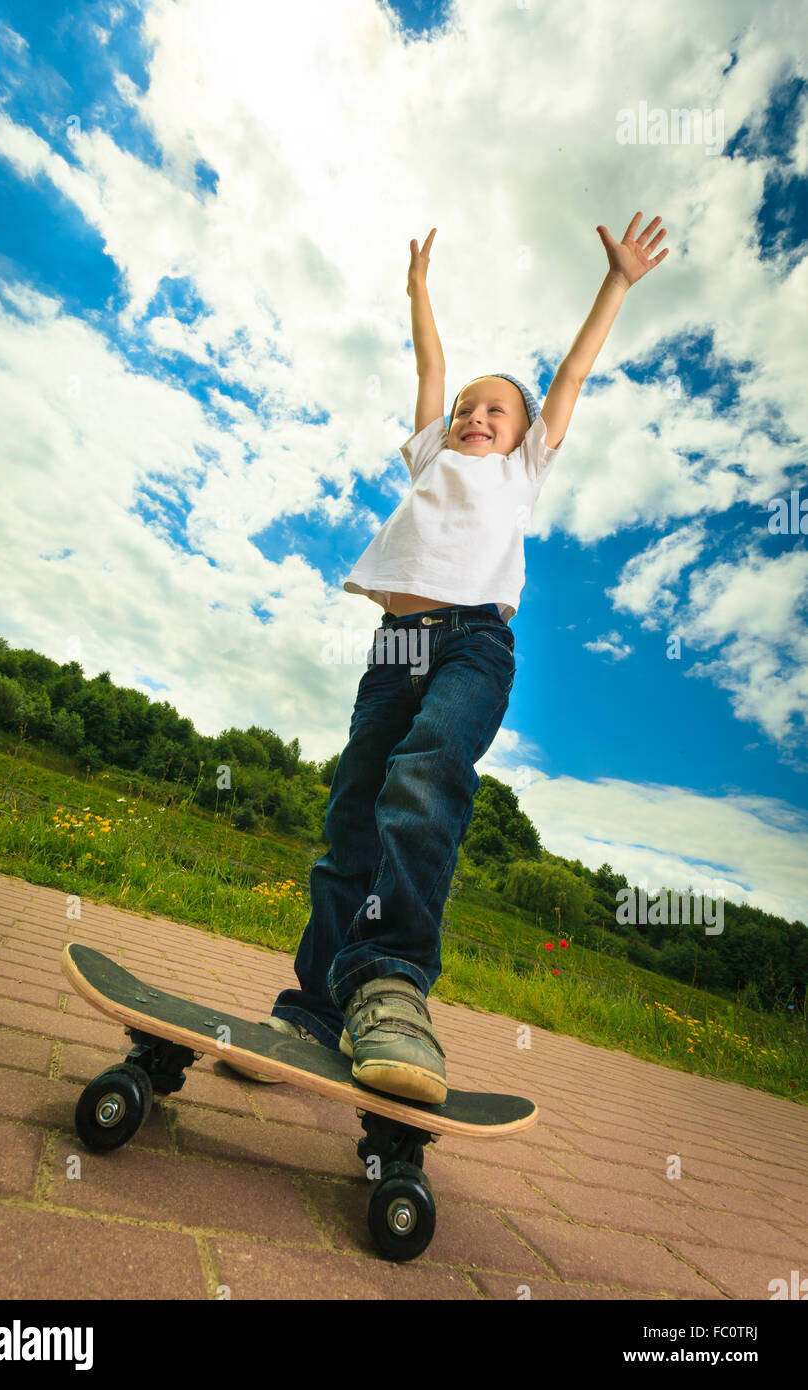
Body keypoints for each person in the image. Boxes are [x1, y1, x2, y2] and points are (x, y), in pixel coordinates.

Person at [231, 214, 669, 1103]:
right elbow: (431, 369)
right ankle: (313, 1007)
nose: (475, 416)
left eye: (494, 410)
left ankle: (391, 984)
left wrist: (617, 283)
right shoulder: (433, 451)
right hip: (393, 649)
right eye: (469, 408)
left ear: (522, 434)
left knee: (426, 776)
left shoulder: (523, 469)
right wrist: (418, 293)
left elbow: (572, 374)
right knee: (354, 815)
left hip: (474, 644)